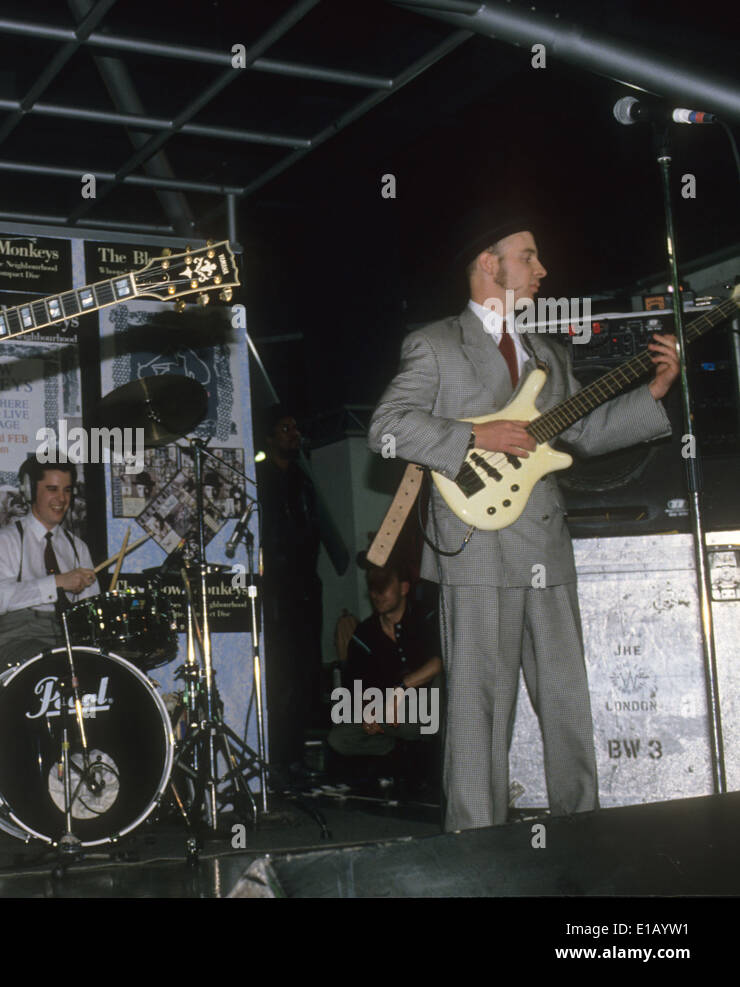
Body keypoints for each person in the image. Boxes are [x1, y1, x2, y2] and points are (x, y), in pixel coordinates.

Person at [368, 214, 680, 831]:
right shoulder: (435, 344)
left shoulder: (548, 353)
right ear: (491, 264)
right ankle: (477, 843)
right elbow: (386, 428)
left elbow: (583, 433)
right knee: (480, 706)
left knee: (568, 702)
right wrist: (474, 434)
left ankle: (581, 832)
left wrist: (657, 391)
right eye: (529, 257)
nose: (542, 271)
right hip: (474, 546)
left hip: (544, 539)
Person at [256, 408, 349, 784]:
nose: (294, 434)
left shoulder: (303, 480)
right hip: (275, 592)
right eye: (285, 428)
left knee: (304, 673)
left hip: (306, 588)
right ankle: (277, 760)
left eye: (296, 427)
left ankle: (295, 758)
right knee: (280, 677)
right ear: (269, 437)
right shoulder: (261, 479)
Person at [328, 564, 441, 793]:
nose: (377, 594)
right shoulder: (364, 633)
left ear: (404, 588)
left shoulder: (425, 616)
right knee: (339, 738)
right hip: (386, 711)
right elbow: (355, 683)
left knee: (426, 707)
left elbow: (440, 661)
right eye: (373, 588)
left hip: (426, 704)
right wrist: (368, 710)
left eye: (384, 587)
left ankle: (425, 754)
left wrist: (400, 689)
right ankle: (397, 752)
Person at [0, 458, 98, 674]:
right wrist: (56, 583)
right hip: (18, 642)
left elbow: (90, 611)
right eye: (52, 489)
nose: (61, 499)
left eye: (67, 490)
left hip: (68, 641)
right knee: (56, 667)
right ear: (29, 491)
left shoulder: (78, 548)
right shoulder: (6, 540)